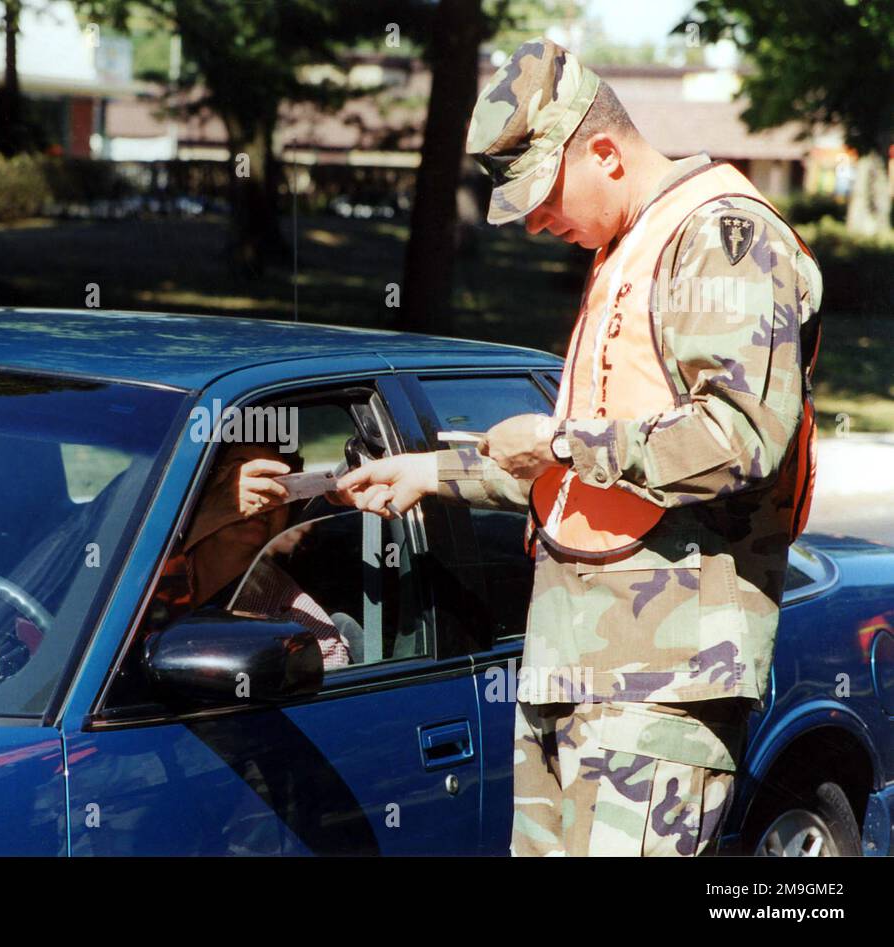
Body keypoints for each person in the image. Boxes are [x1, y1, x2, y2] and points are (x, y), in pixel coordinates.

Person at [337, 38, 822, 856]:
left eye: (542, 195)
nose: (534, 222)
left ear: (603, 150)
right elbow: (580, 479)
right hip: (573, 670)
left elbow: (742, 437)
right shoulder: (626, 250)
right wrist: (430, 471)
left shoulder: (723, 236)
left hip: (659, 686)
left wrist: (563, 441)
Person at [173, 440, 351, 671]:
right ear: (198, 490)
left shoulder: (302, 629)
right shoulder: (138, 562)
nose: (262, 496)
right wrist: (210, 515)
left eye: (280, 486)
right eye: (239, 475)